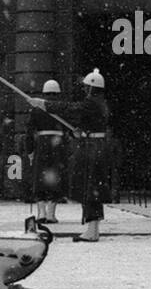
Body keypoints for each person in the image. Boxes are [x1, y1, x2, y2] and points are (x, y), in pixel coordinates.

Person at [38, 69, 110, 242]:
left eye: (86, 87)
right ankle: (93, 229)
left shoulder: (91, 103)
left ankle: (92, 231)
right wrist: (81, 131)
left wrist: (44, 104)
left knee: (90, 188)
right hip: (94, 145)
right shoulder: (98, 103)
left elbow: (70, 108)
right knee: (92, 188)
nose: (85, 90)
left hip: (92, 148)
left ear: (92, 88)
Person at [27, 80, 68, 224]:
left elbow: (29, 132)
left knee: (40, 177)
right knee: (55, 176)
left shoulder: (37, 108)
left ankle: (41, 213)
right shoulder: (62, 108)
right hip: (57, 144)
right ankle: (51, 214)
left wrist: (30, 150)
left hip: (42, 144)